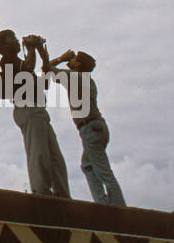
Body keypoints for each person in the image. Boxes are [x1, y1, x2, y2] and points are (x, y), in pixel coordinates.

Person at [0, 29, 70, 198]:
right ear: (3, 46)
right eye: (12, 39)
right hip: (28, 109)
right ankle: (41, 193)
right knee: (39, 153)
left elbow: (44, 81)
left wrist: (41, 52)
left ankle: (62, 195)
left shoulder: (18, 61)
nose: (17, 42)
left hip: (38, 111)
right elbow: (28, 68)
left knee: (55, 158)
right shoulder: (8, 61)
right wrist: (32, 49)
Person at [46, 48, 126, 207]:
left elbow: (47, 69)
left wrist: (61, 58)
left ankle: (119, 209)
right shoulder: (87, 79)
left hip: (89, 128)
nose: (72, 59)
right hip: (97, 127)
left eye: (75, 58)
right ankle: (103, 203)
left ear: (78, 64)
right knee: (88, 165)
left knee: (103, 172)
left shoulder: (73, 77)